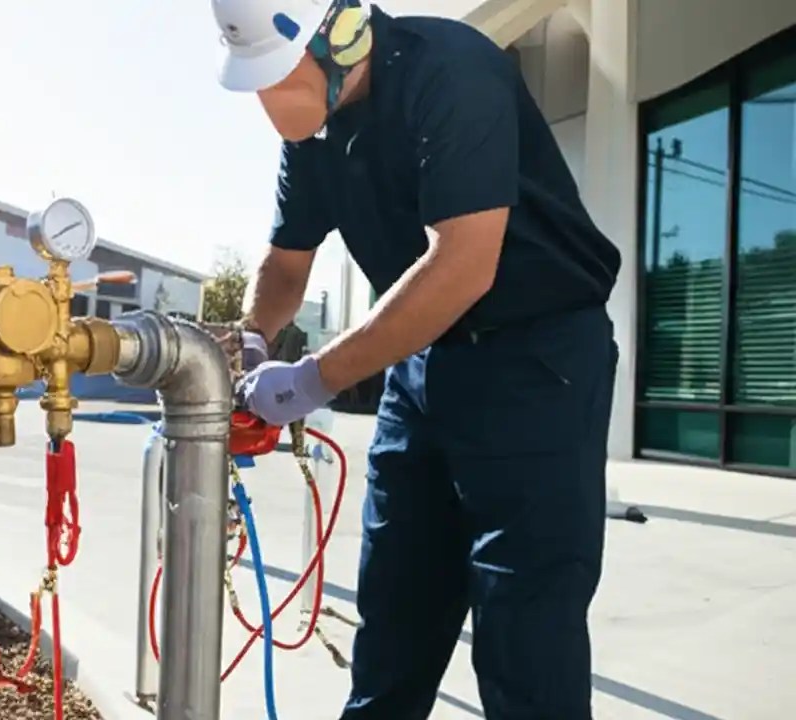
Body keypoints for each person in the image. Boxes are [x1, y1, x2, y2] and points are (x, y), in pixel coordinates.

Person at [210, 1, 622, 718]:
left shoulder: (451, 71)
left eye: (276, 75)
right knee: (394, 618)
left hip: (537, 359)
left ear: (340, 35)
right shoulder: (315, 134)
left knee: (524, 630)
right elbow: (285, 263)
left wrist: (312, 379)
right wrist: (252, 339)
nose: (265, 100)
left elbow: (463, 265)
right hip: (425, 364)